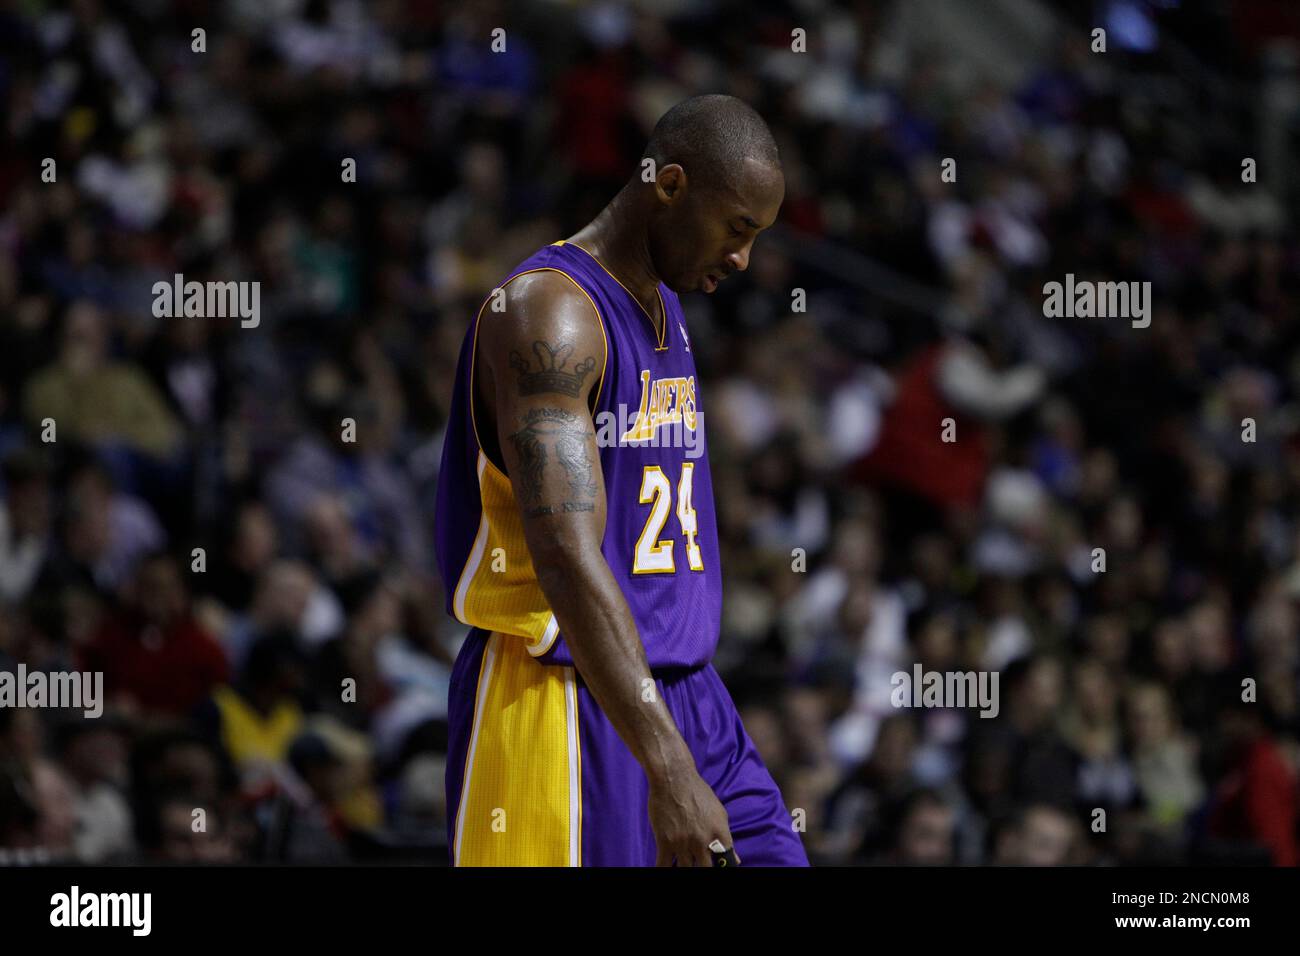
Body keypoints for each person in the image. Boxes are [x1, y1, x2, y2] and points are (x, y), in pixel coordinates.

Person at [435, 94, 806, 866]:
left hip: (686, 695)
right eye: (737, 229)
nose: (744, 260)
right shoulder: (552, 315)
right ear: (668, 185)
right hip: (560, 696)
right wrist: (667, 767)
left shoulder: (665, 301)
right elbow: (567, 555)